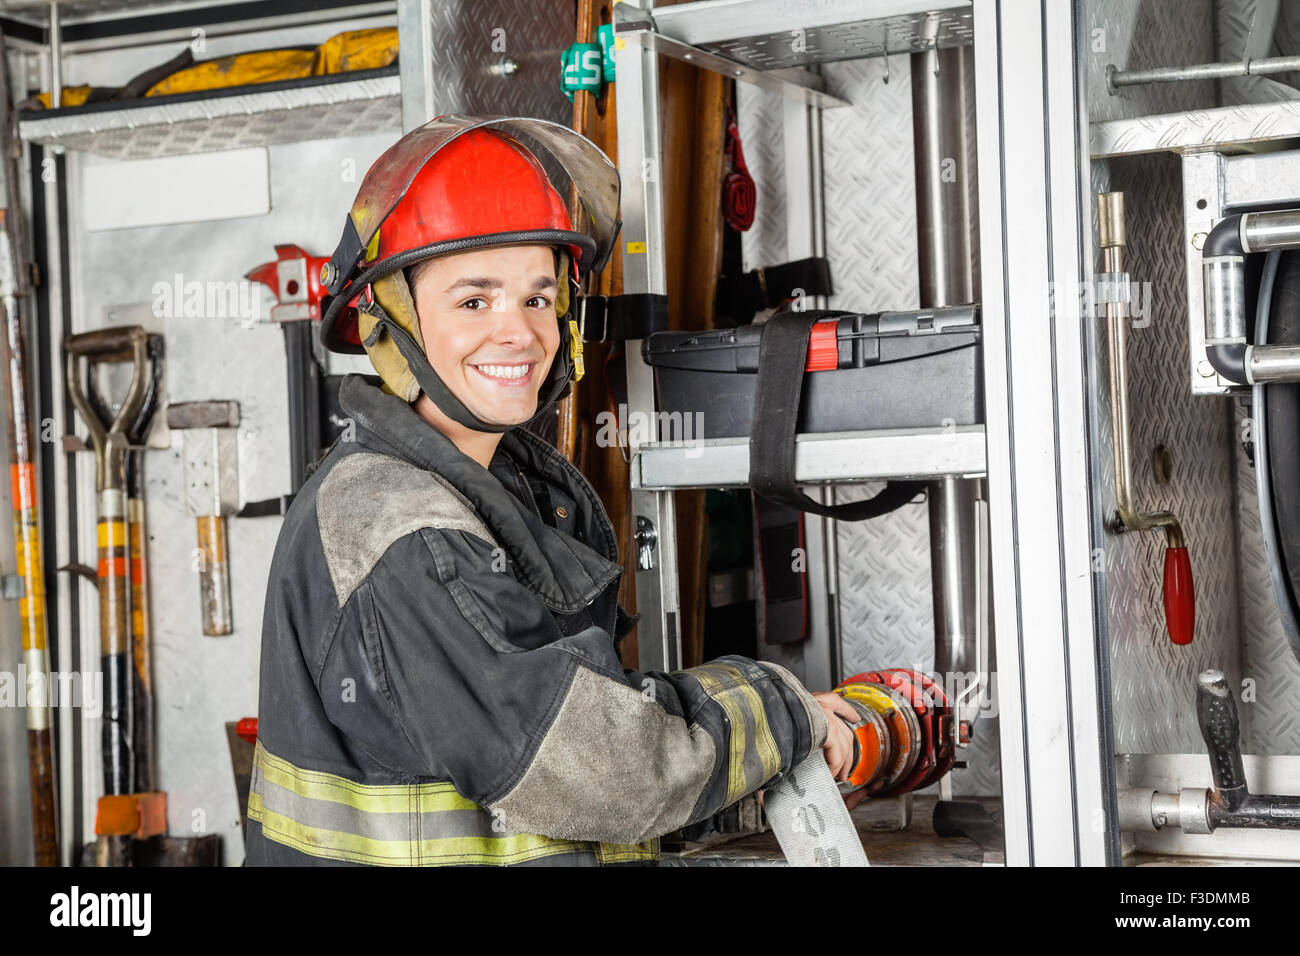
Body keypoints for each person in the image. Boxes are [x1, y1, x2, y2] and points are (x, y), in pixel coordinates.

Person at [244, 115, 860, 867]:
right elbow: (612, 775)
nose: (519, 333)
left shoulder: (501, 493)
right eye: (475, 300)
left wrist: (754, 767)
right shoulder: (406, 533)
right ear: (395, 320)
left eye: (537, 297)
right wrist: (780, 706)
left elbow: (561, 746)